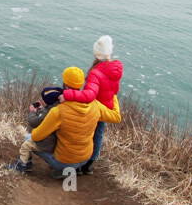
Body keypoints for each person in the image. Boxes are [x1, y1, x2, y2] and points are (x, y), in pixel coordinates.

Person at [8, 66, 122, 178]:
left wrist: (39, 115)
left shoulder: (58, 111)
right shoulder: (94, 104)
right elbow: (116, 117)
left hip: (65, 162)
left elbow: (37, 136)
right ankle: (70, 169)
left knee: (28, 139)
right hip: (85, 158)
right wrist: (113, 94)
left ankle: (26, 166)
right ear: (81, 84)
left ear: (65, 84)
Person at [59, 35, 123, 175]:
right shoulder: (116, 69)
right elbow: (114, 91)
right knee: (98, 135)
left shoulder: (96, 72)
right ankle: (89, 164)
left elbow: (89, 95)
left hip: (93, 111)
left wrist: (68, 95)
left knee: (86, 136)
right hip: (105, 109)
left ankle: (80, 163)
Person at [7, 86, 63, 173]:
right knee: (28, 138)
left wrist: (33, 111)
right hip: (56, 141)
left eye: (43, 99)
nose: (40, 100)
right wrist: (42, 108)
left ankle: (22, 166)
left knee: (26, 146)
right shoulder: (57, 107)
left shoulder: (50, 112)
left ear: (48, 101)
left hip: (48, 144)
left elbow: (33, 122)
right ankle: (27, 162)